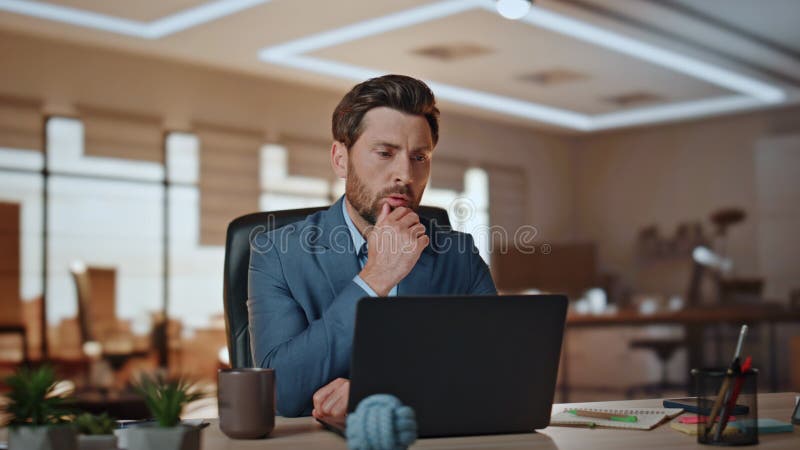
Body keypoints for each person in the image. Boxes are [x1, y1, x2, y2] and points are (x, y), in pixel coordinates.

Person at [247, 74, 496, 420]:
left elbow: (497, 375)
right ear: (340, 159)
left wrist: (380, 389)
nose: (404, 174)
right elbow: (280, 392)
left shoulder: (460, 257)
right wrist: (375, 278)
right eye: (385, 153)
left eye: (419, 157)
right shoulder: (276, 252)